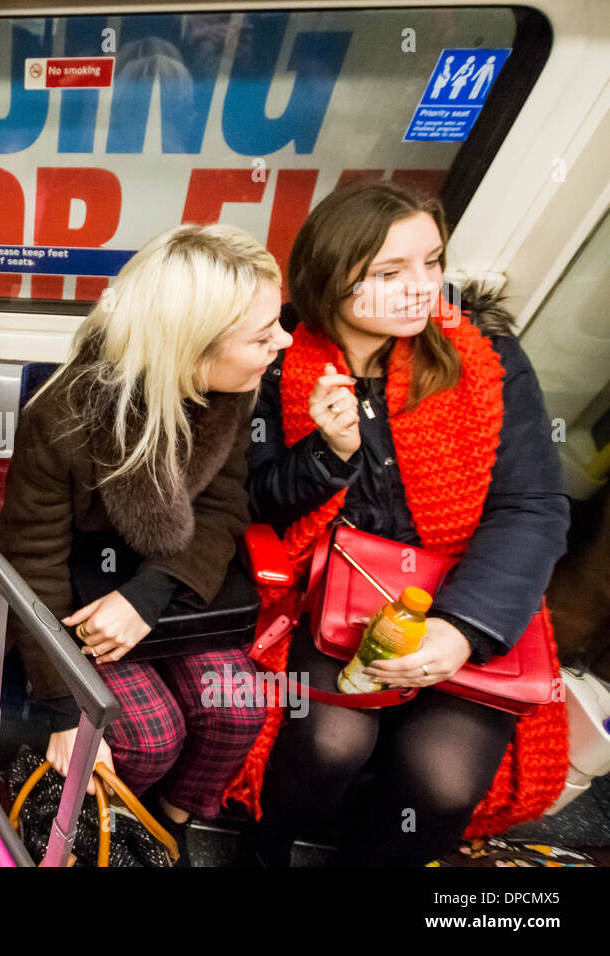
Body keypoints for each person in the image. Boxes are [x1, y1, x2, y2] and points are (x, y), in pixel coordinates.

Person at [231, 181, 570, 866]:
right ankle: (264, 854)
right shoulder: (277, 358)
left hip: (464, 588)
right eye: (390, 273)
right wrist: (328, 456)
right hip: (336, 592)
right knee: (328, 745)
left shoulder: (487, 361)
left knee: (441, 782)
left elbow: (532, 509)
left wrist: (463, 628)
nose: (423, 288)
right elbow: (259, 501)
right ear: (333, 279)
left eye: (432, 262)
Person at [0, 224, 290, 845]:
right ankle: (87, 833)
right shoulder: (63, 417)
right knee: (148, 736)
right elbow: (34, 561)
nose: (284, 342)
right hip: (78, 596)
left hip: (174, 582)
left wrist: (148, 597)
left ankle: (169, 827)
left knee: (237, 708)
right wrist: (64, 704)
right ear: (191, 351)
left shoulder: (232, 393)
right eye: (264, 335)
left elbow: (221, 508)